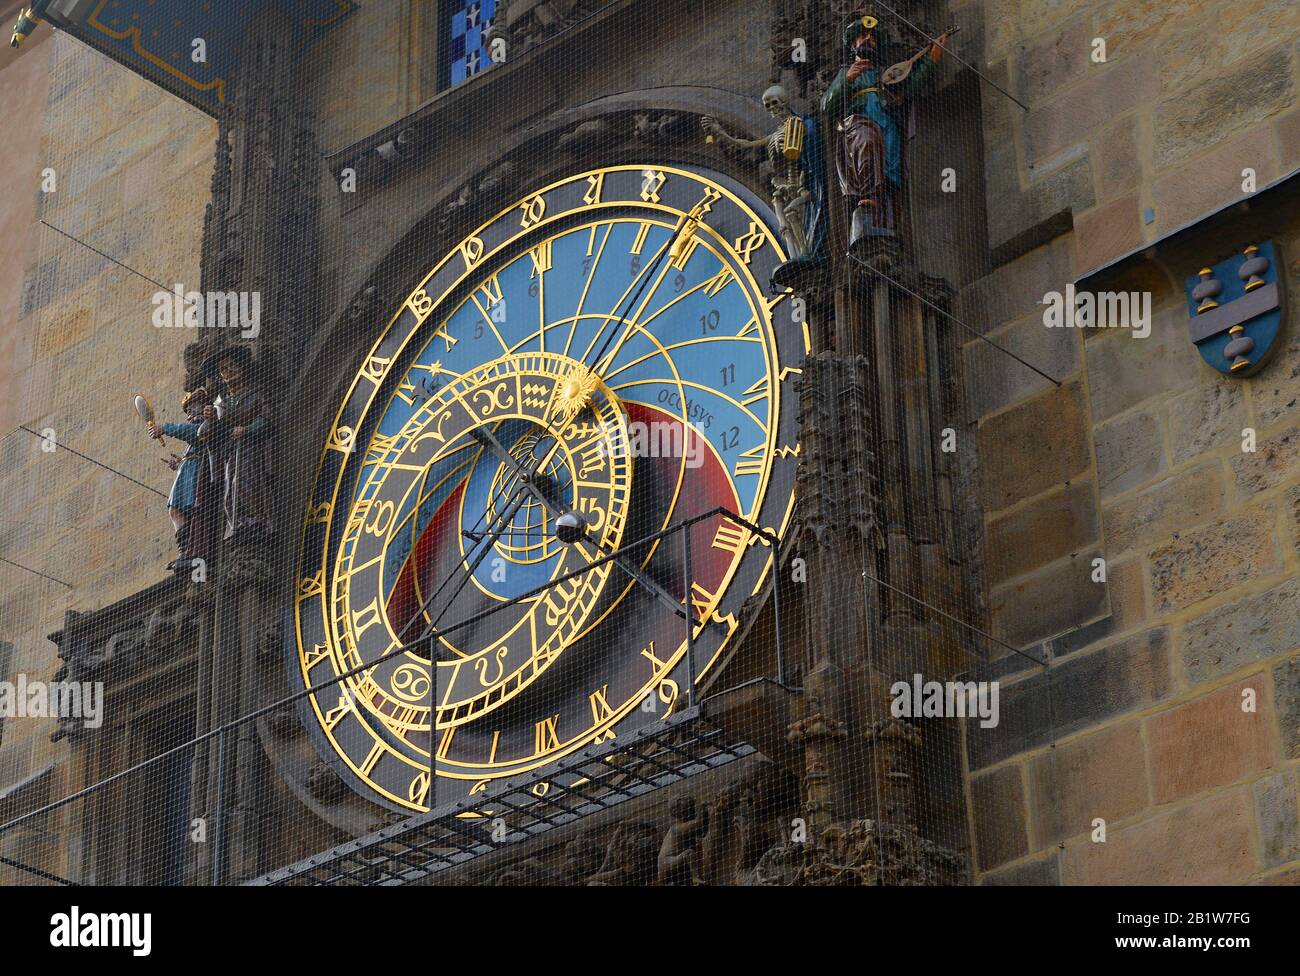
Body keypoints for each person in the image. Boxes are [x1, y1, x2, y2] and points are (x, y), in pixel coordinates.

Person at [822, 14, 948, 251]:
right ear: (852, 45)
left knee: (890, 175)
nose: (868, 40)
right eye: (862, 36)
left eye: (872, 37)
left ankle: (886, 222)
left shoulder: (885, 74)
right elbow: (827, 106)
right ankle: (866, 209)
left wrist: (932, 57)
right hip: (858, 127)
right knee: (867, 142)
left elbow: (909, 89)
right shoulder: (847, 73)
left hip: (888, 128)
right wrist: (848, 79)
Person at [203, 345, 274, 542]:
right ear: (220, 377)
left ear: (242, 368)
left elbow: (267, 418)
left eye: (232, 365)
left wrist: (247, 429)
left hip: (251, 448)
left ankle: (257, 518)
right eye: (223, 369)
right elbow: (214, 434)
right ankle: (239, 522)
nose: (229, 371)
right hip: (231, 451)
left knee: (243, 482)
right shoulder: (220, 402)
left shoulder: (256, 393)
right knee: (229, 491)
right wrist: (211, 419)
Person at [147, 387, 213, 570]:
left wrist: (165, 428)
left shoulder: (207, 424)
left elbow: (193, 434)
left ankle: (191, 551)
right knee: (175, 510)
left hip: (197, 475)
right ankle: (185, 550)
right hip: (188, 473)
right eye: (188, 409)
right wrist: (179, 463)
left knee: (189, 512)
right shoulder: (196, 425)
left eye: (194, 406)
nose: (190, 411)